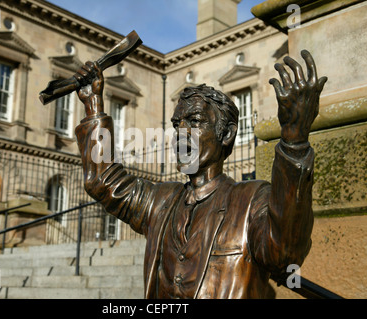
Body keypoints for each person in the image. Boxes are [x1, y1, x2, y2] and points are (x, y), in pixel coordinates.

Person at [73, 50, 327, 299]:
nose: (181, 132)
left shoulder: (251, 200)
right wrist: (93, 106)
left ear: (226, 134)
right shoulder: (160, 200)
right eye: (176, 124)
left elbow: (284, 252)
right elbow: (103, 181)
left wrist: (294, 142)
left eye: (194, 121)